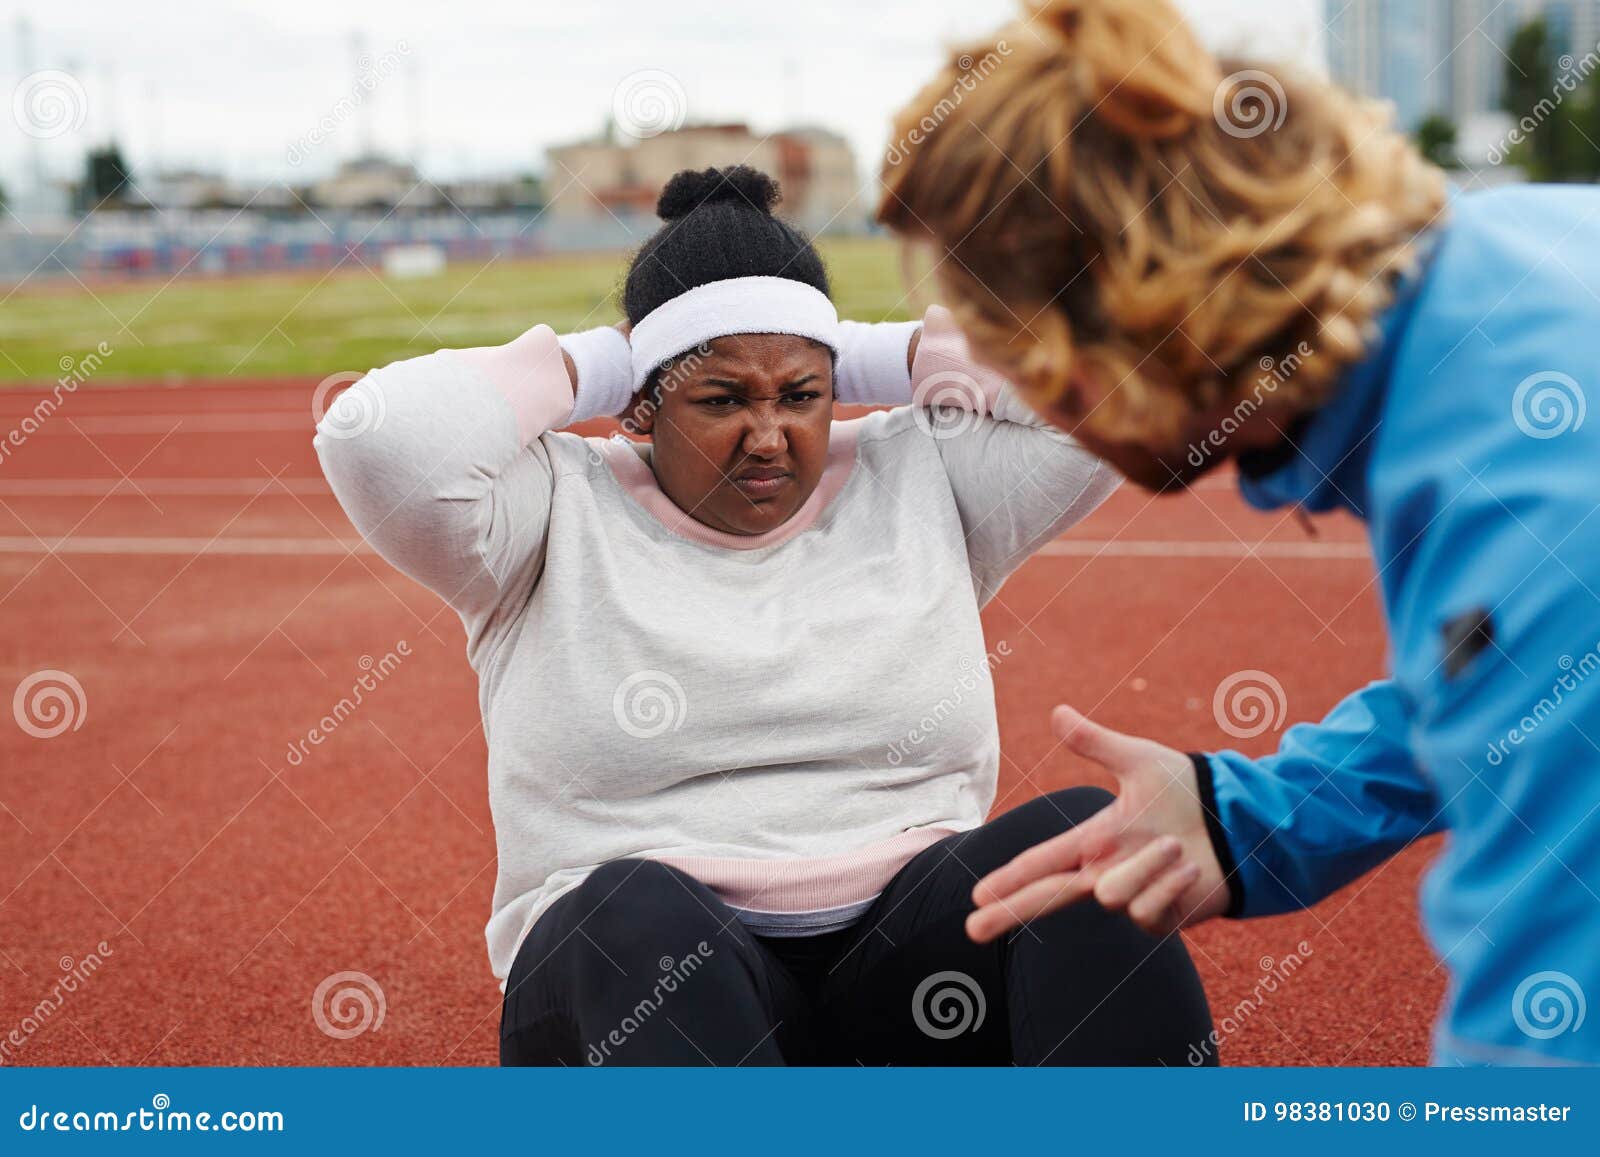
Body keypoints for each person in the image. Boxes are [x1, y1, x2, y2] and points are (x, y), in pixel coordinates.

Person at [314, 164, 1214, 1065]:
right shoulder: (549, 509)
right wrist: (597, 361)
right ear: (639, 403)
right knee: (634, 910)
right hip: (641, 979)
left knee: (1081, 851)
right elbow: (377, 439)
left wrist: (879, 352)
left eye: (800, 394)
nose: (770, 435)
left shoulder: (923, 473)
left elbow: (1130, 390)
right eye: (721, 397)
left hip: (905, 982)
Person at [876, 0, 1600, 1066]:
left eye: (1023, 357)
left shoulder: (1525, 489)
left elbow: (1545, 1064)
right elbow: (1516, 677)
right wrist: (1246, 817)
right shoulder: (1494, 271)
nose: (1033, 402)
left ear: (1131, 306)